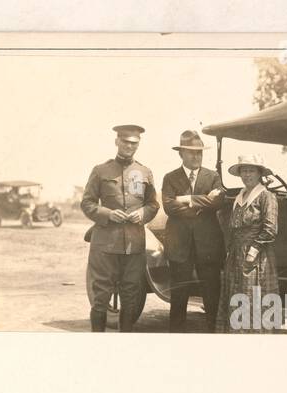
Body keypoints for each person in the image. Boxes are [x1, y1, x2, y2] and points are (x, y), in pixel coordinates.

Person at [81, 124, 158, 332]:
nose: (129, 146)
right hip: (105, 244)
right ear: (117, 141)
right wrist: (108, 214)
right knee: (101, 296)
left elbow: (153, 204)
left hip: (133, 245)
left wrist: (142, 213)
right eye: (125, 142)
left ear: (138, 144)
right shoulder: (101, 171)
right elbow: (87, 203)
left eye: (133, 143)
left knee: (131, 295)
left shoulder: (145, 172)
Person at [160, 130, 228, 332]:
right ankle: (177, 337)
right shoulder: (170, 178)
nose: (196, 156)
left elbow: (218, 202)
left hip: (208, 246)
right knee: (179, 295)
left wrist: (187, 200)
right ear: (181, 153)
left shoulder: (213, 176)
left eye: (199, 152)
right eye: (191, 152)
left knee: (211, 294)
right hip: (179, 246)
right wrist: (202, 203)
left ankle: (214, 335)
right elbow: (169, 207)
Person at [216, 155, 280, 333]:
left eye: (251, 170)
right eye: (244, 171)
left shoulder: (267, 197)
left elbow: (270, 228)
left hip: (256, 255)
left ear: (259, 173)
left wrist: (254, 250)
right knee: (236, 297)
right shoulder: (240, 196)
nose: (247, 175)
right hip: (236, 254)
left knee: (252, 297)